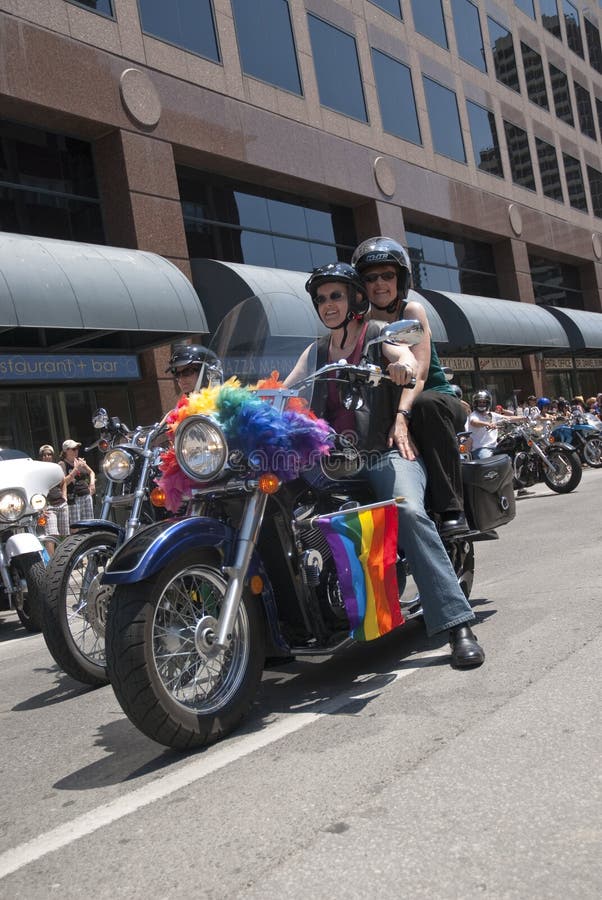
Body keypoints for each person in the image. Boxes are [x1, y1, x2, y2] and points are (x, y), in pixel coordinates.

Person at [285, 262, 484, 669]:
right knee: (279, 499)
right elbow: (285, 386)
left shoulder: (376, 334)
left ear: (356, 298)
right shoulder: (315, 350)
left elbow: (407, 359)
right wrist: (240, 399)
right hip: (333, 460)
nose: (328, 304)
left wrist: (403, 366)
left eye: (336, 295)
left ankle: (457, 623)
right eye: (322, 299)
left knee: (408, 511)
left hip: (382, 453)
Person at [351, 236, 468, 537]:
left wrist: (402, 417)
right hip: (385, 406)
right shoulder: (360, 322)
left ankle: (451, 508)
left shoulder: (411, 311)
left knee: (427, 406)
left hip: (433, 399)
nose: (379, 284)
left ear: (399, 279)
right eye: (370, 278)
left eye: (387, 276)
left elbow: (422, 371)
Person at [466, 391, 525, 459]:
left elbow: (509, 418)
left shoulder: (492, 415)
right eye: (480, 402)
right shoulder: (474, 415)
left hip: (495, 447)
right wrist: (487, 424)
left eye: (484, 402)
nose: (482, 404)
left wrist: (524, 418)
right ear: (476, 403)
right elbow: (474, 422)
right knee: (490, 462)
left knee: (508, 458)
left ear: (488, 403)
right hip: (481, 449)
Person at [38, 444, 69, 555]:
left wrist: (64, 496)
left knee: (65, 535)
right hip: (49, 506)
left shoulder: (56, 468)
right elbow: (37, 490)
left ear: (52, 456)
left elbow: (63, 481)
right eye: (44, 455)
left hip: (61, 504)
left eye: (49, 454)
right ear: (41, 457)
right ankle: (53, 563)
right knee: (51, 535)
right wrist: (41, 508)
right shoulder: (38, 471)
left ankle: (65, 560)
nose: (47, 456)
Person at [59, 439, 96, 526]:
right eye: (73, 449)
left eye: (77, 448)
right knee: (76, 526)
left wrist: (92, 484)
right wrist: (76, 469)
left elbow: (91, 472)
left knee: (90, 524)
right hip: (73, 498)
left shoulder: (79, 461)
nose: (76, 451)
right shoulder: (62, 464)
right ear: (66, 451)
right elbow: (64, 483)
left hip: (86, 495)